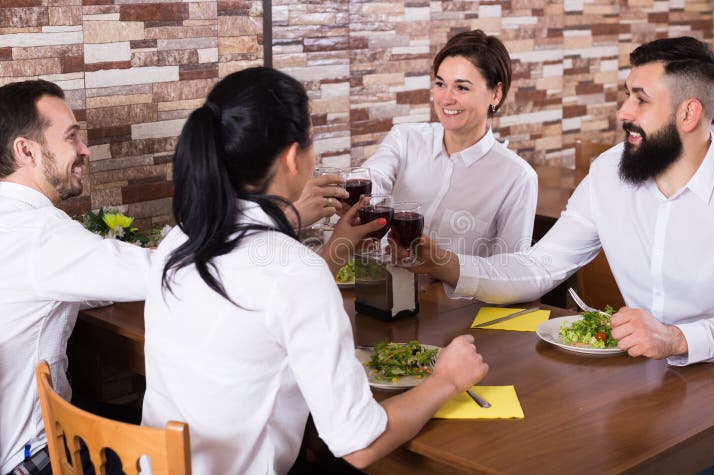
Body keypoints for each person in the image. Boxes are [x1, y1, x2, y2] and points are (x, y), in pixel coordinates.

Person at [140, 67, 488, 474]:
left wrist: (337, 247)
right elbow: (359, 443)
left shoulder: (178, 240)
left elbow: (269, 301)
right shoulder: (293, 271)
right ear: (292, 157)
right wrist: (445, 380)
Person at [398, 36, 714, 367]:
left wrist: (676, 339)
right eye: (627, 95)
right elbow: (541, 266)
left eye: (640, 99)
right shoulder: (609, 172)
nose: (623, 111)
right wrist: (450, 266)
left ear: (688, 113)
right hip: (642, 377)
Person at [0, 80, 150, 474]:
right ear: (26, 150)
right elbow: (162, 275)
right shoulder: (39, 234)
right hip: (39, 459)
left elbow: (75, 283)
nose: (84, 149)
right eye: (71, 137)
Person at [363, 29, 538, 257]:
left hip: (454, 294)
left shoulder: (517, 178)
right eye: (440, 84)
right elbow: (373, 177)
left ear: (496, 94)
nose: (446, 98)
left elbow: (511, 273)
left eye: (462, 87)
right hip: (387, 287)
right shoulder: (405, 139)